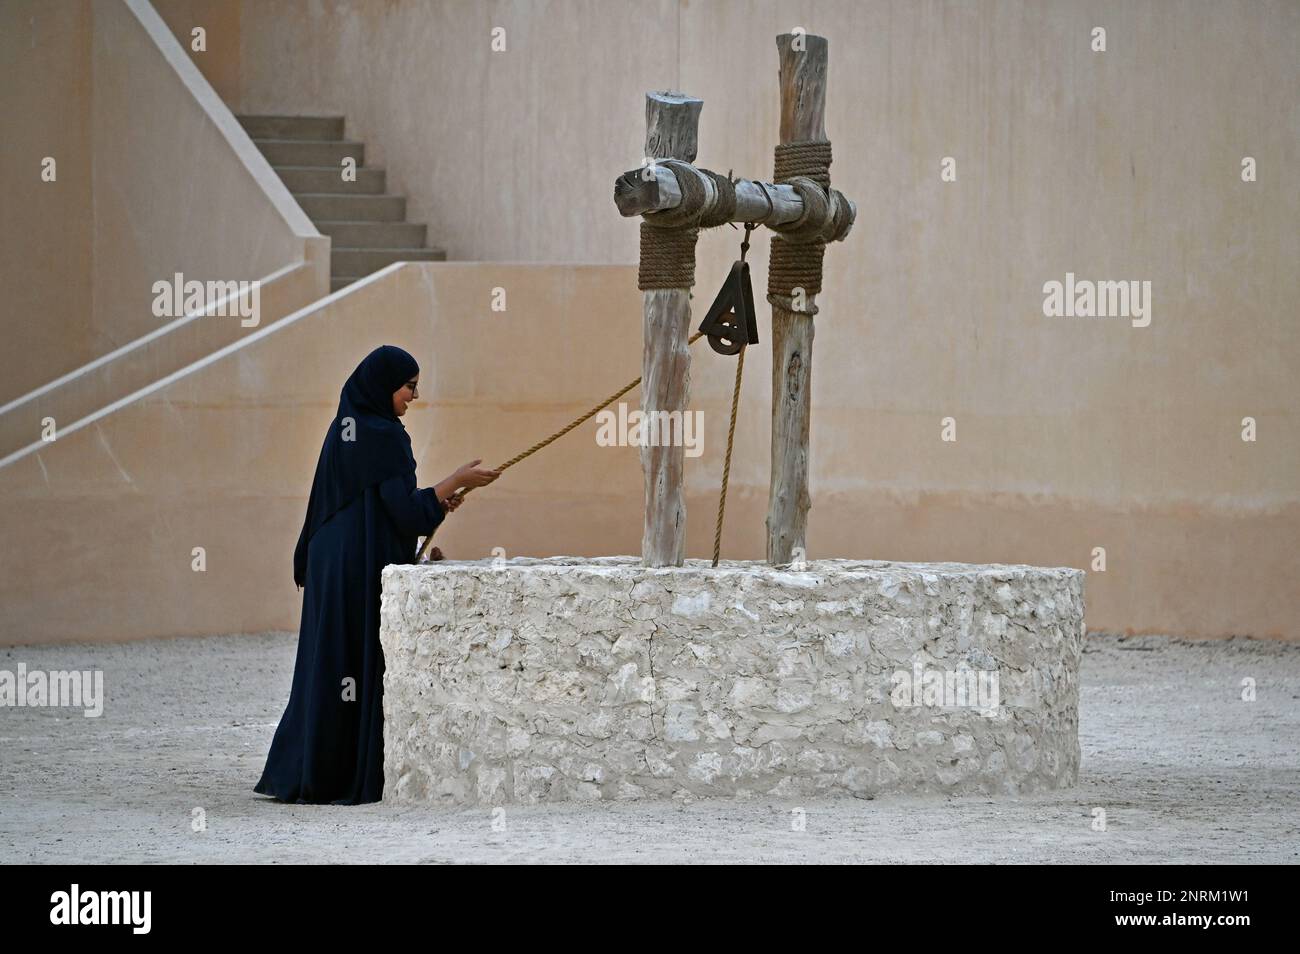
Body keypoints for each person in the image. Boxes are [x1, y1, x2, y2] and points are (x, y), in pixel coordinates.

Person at [254, 345, 498, 804]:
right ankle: (339, 776)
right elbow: (405, 513)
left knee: (328, 661)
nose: (414, 396)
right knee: (354, 660)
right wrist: (457, 481)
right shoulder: (384, 434)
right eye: (408, 387)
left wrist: (436, 501)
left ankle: (307, 771)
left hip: (333, 561)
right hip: (355, 564)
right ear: (385, 386)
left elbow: (382, 504)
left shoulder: (347, 426)